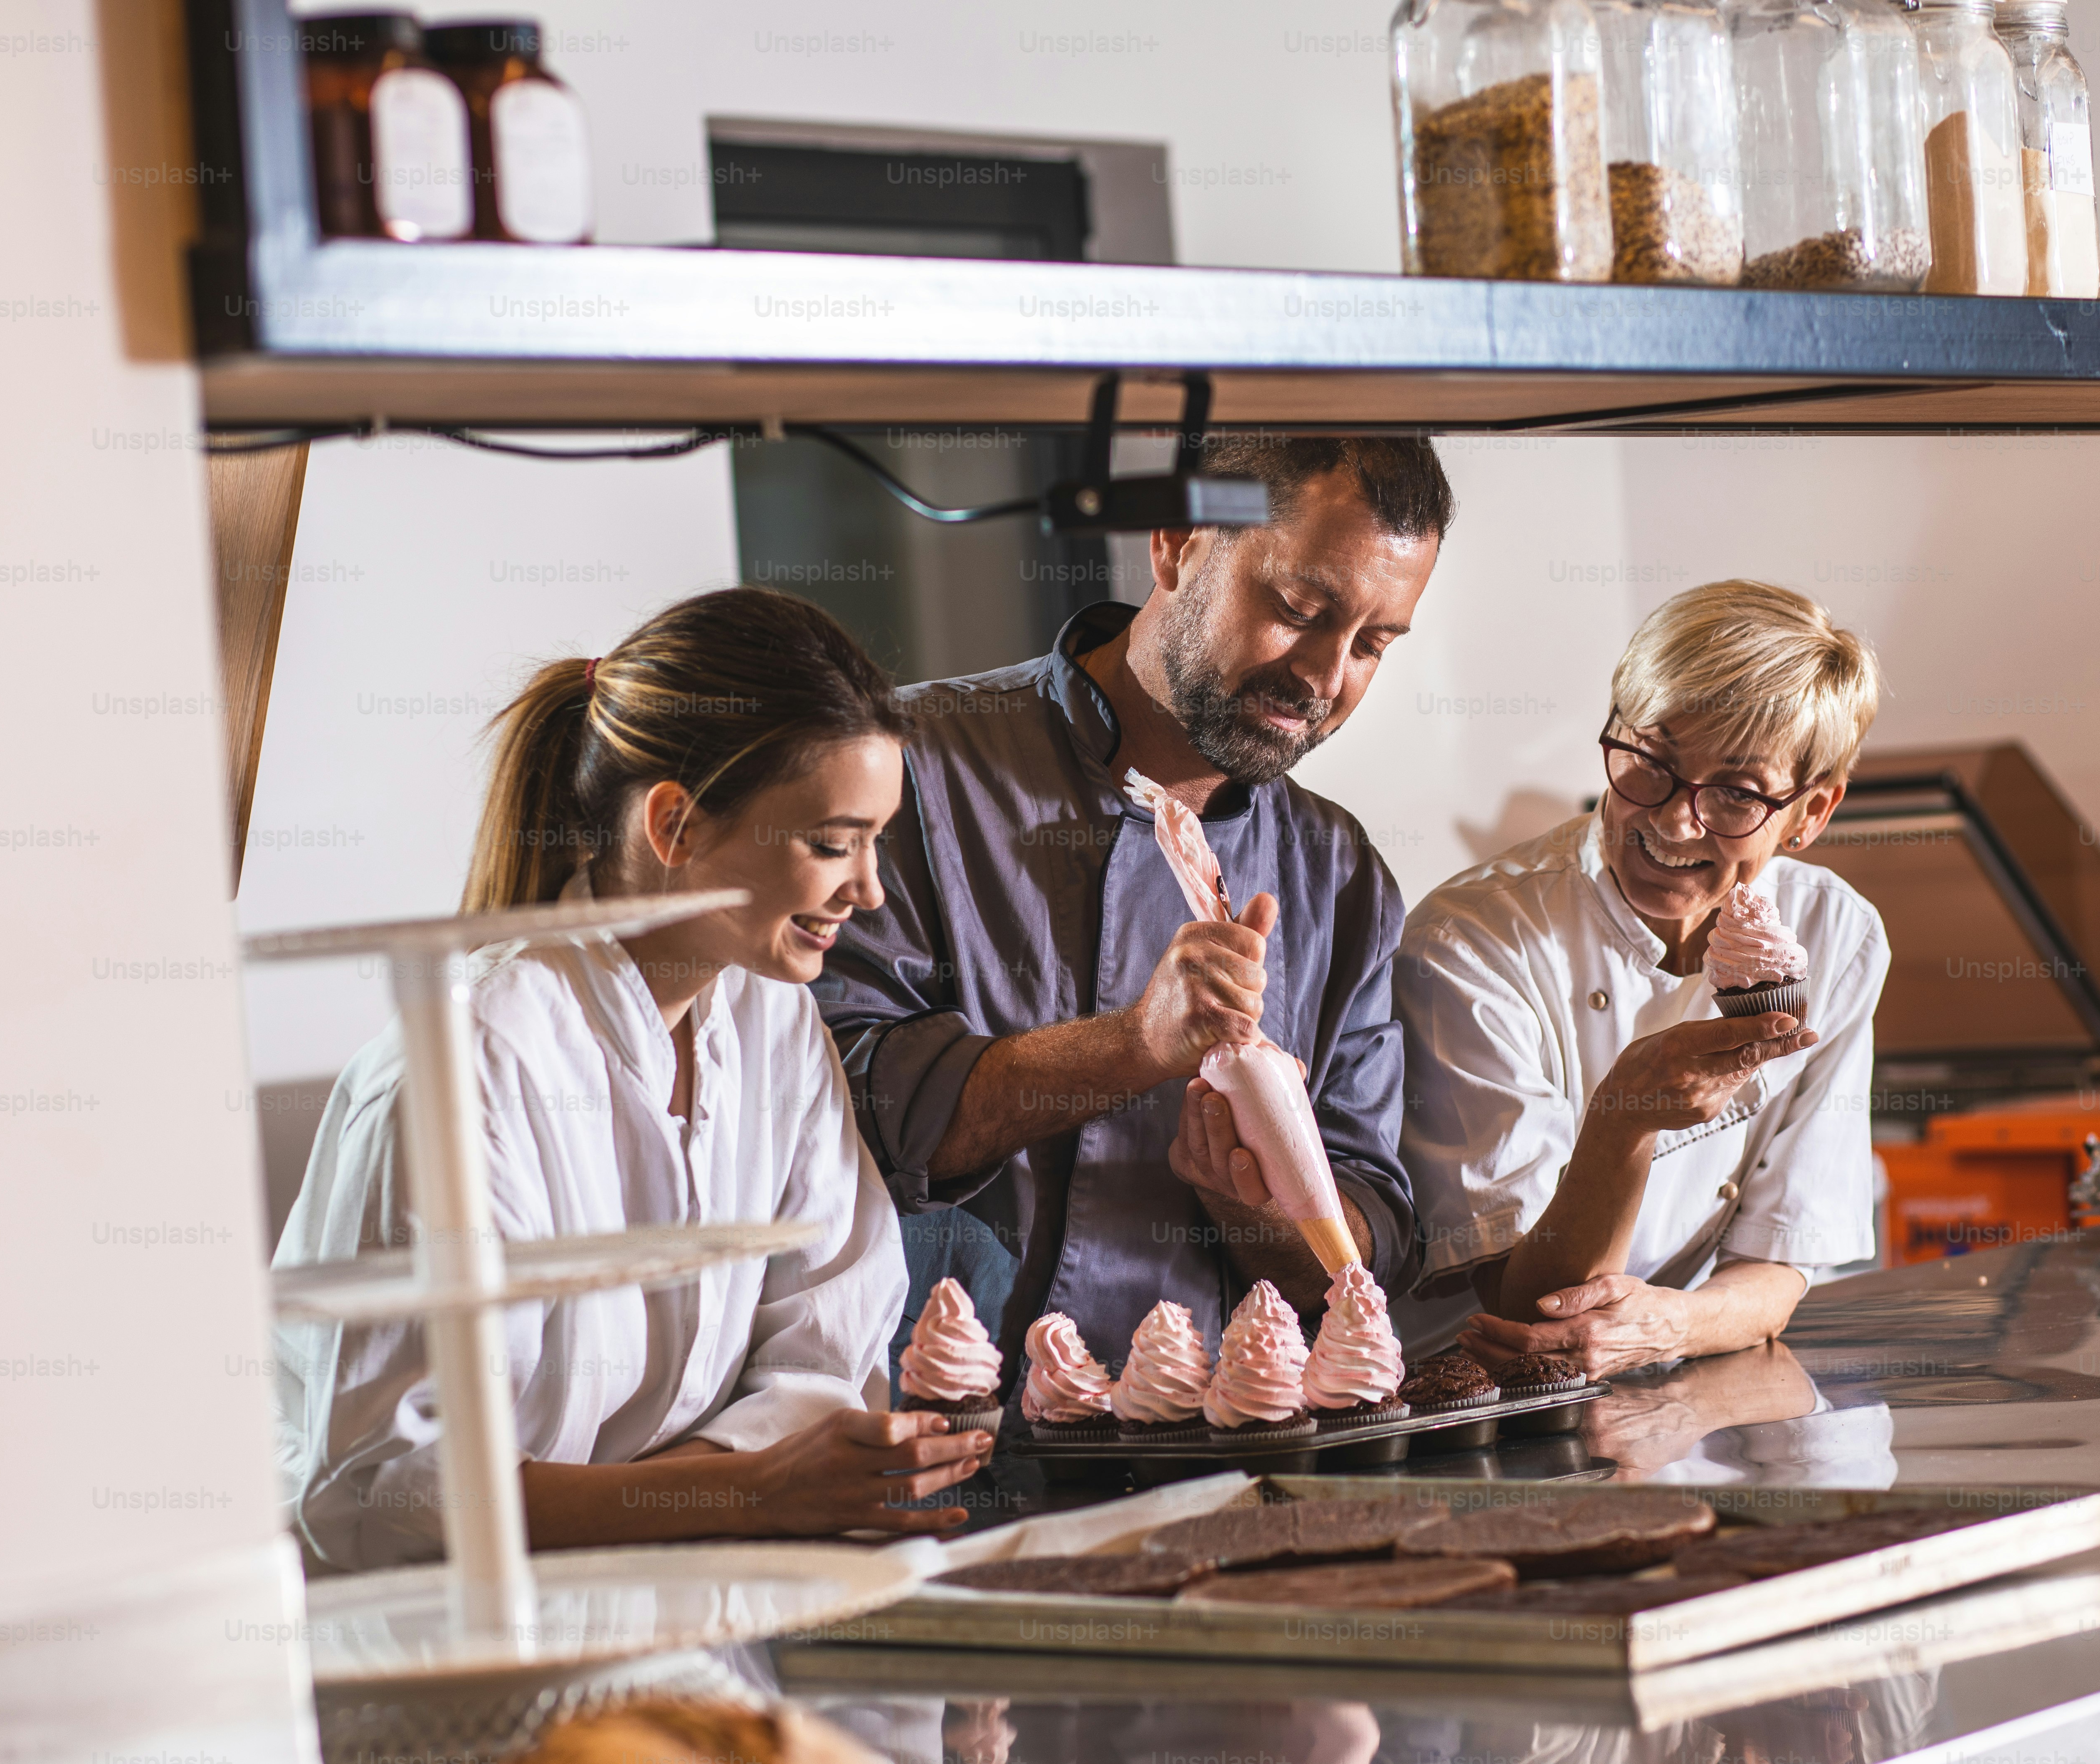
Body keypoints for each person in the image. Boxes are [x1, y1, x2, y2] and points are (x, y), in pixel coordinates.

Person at [274, 589, 987, 1572]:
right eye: (832, 843)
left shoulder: (772, 1024)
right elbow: (383, 1490)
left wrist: (713, 1501)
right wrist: (742, 1493)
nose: (867, 890)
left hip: (675, 1597)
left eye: (877, 840)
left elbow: (827, 1343)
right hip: (429, 1671)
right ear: (676, 825)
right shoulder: (469, 1066)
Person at [816, 437, 1453, 1368]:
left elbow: (1365, 1244)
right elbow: (838, 1105)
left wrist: (1257, 1205)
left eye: (1369, 644)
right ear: (1176, 544)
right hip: (940, 1454)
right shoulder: (909, 772)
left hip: (1220, 1448)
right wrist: (1132, 1047)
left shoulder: (1337, 872)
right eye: (1297, 609)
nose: (1322, 677)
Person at [1395, 579, 1890, 1378]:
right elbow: (1530, 1306)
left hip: (1664, 1378)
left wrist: (1677, 1325)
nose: (1671, 822)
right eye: (1651, 762)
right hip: (1469, 1407)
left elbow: (1785, 1257)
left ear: (1812, 813)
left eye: (1736, 793)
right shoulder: (1474, 942)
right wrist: (1625, 1117)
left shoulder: (1835, 937)